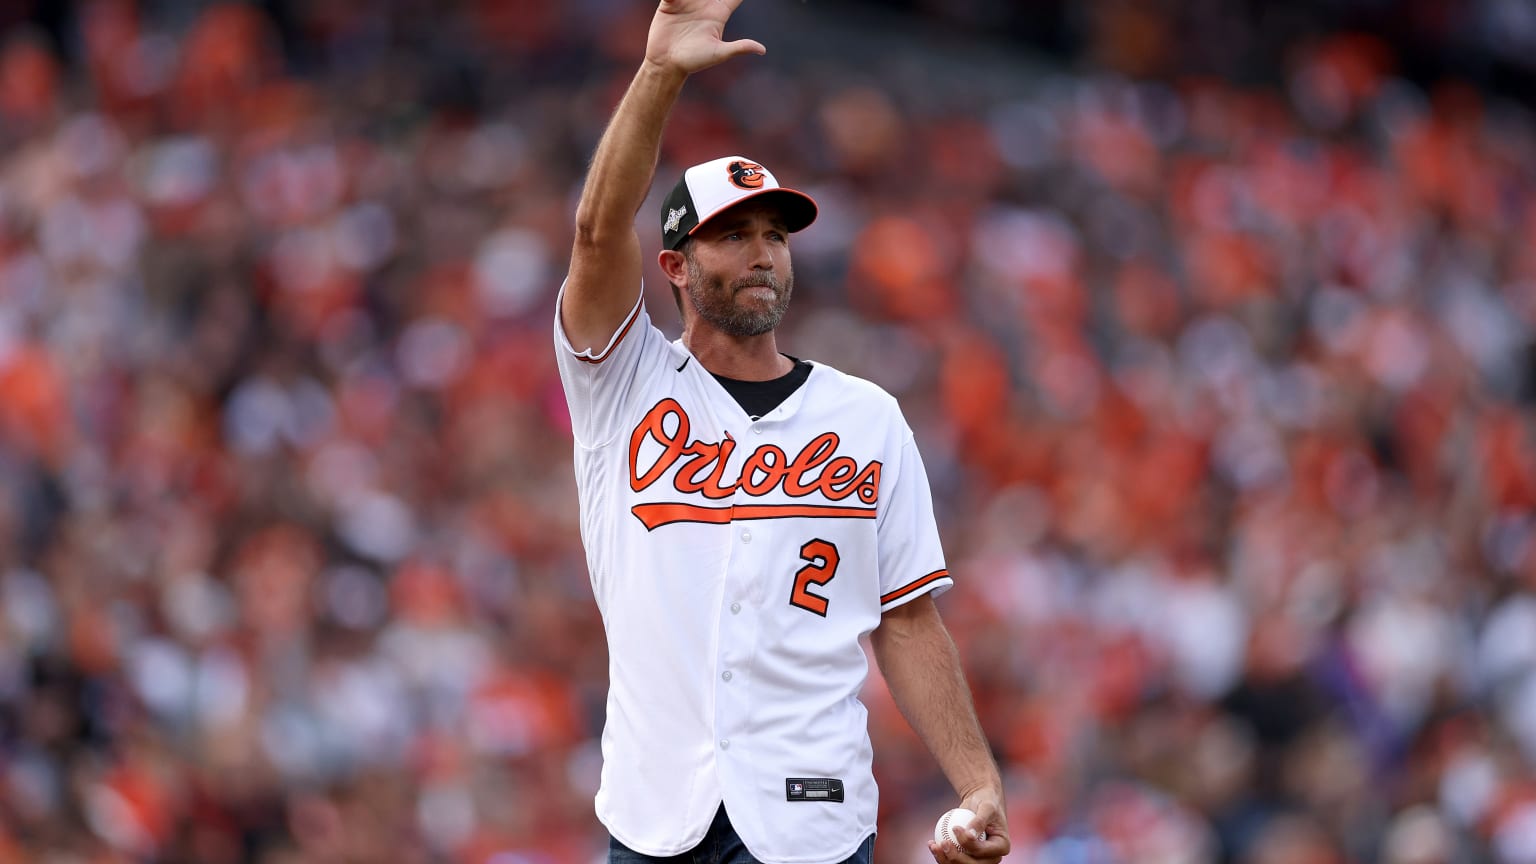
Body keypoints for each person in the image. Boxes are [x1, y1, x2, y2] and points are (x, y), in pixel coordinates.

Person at [554, 2, 1010, 863]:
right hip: (657, 814)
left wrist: (977, 782)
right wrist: (660, 76)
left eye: (775, 235)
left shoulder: (866, 418)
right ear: (678, 265)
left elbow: (907, 623)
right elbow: (595, 231)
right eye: (733, 236)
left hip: (814, 816)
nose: (763, 253)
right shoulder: (623, 383)